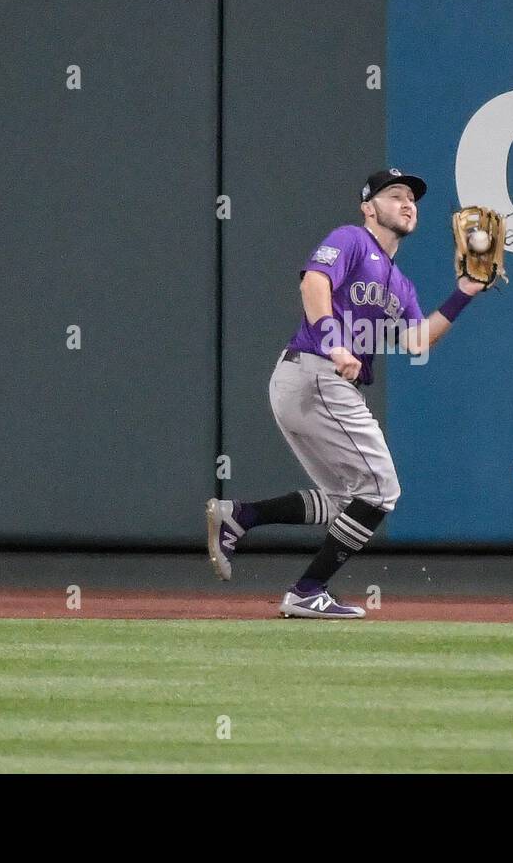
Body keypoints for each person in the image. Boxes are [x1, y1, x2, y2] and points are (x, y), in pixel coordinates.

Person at [205, 168, 486, 618]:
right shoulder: (353, 239)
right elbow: (313, 282)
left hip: (312, 381)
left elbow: (416, 340)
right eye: (394, 195)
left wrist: (465, 292)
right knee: (381, 492)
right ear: (368, 206)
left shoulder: (400, 284)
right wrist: (335, 342)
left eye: (412, 197)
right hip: (316, 372)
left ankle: (241, 516)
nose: (407, 202)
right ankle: (306, 590)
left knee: (346, 501)